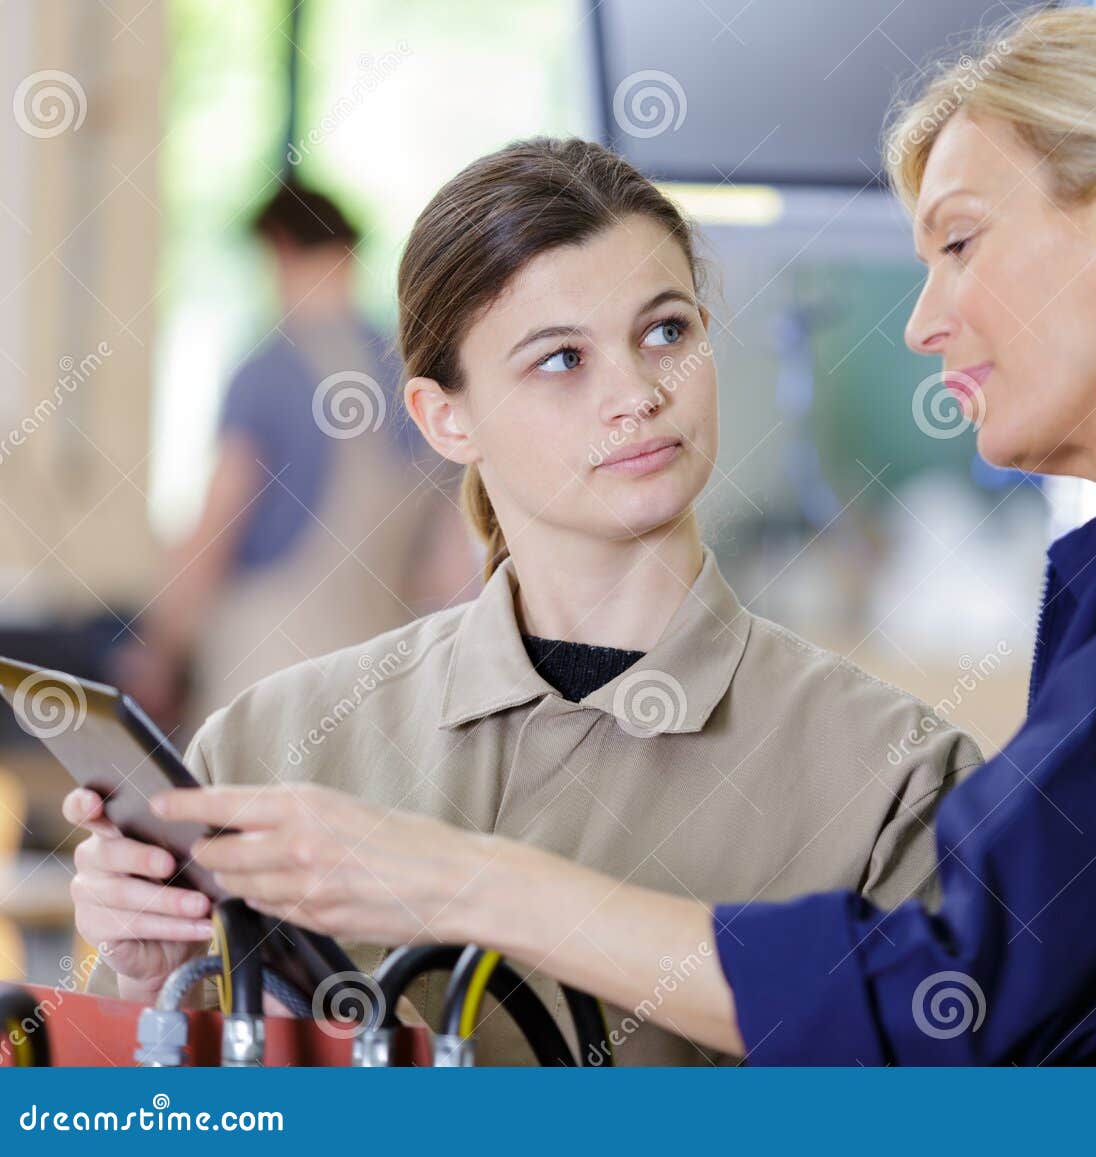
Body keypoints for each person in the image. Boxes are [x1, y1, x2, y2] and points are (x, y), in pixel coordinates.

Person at [146, 7, 1096, 1066]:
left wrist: (473, 884)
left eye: (959, 243)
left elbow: (949, 1005)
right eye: (556, 360)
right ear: (445, 414)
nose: (923, 320)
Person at [69, 139, 983, 1065]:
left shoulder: (896, 778)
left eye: (666, 331)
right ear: (442, 418)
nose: (636, 393)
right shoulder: (264, 750)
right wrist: (158, 979)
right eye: (561, 360)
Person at [109, 181, 478, 737]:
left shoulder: (269, 370)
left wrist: (157, 650)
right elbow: (451, 574)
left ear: (278, 246)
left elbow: (215, 532)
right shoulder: (422, 382)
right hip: (380, 694)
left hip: (264, 686)